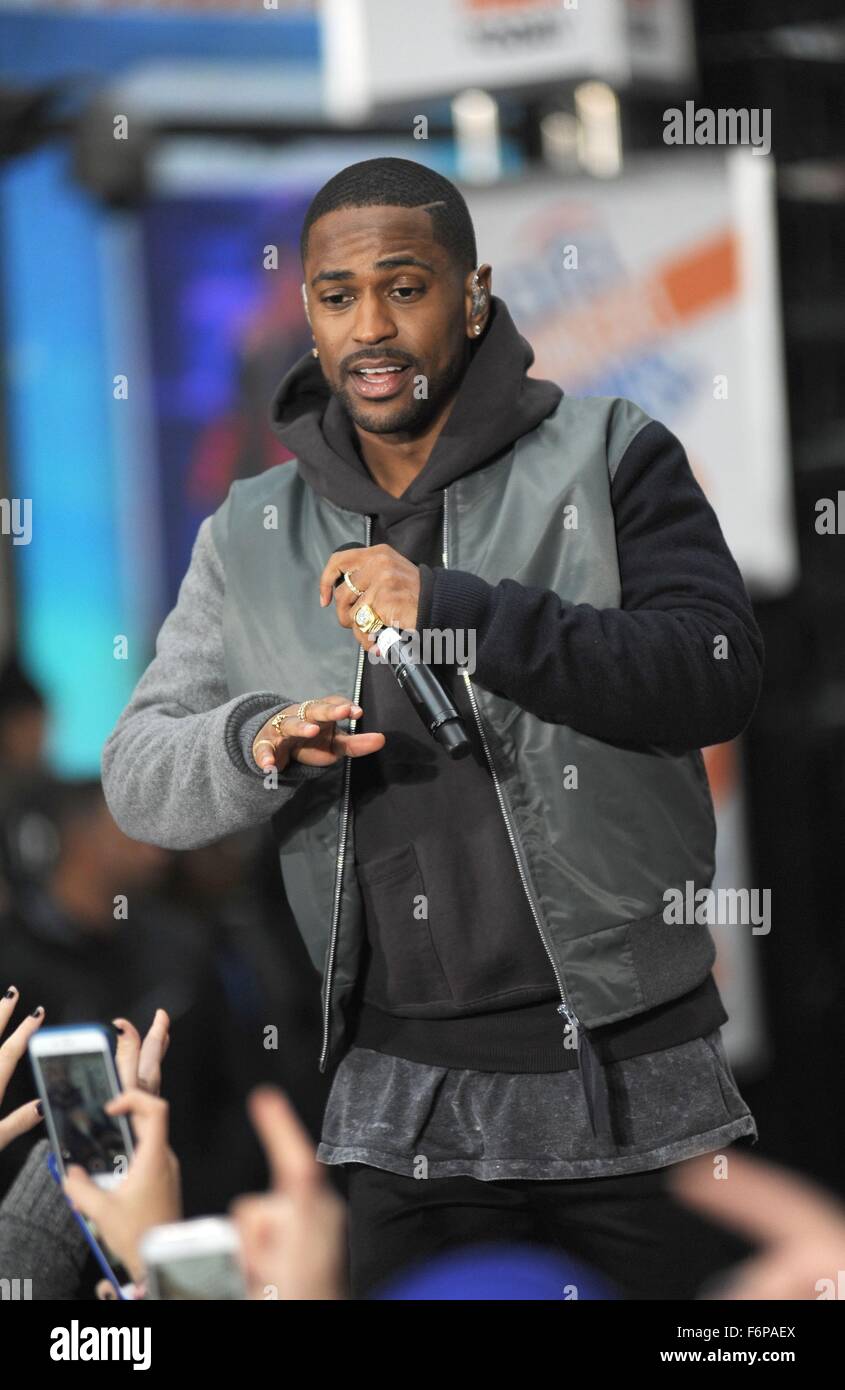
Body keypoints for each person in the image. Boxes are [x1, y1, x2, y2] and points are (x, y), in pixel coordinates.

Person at [101, 156, 766, 1300]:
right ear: (306, 310)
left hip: (634, 1071)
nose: (370, 325)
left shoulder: (608, 455)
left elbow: (710, 674)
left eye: (403, 287)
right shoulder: (249, 531)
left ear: (472, 293)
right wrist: (255, 739)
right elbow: (137, 776)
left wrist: (461, 610)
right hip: (401, 1100)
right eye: (336, 294)